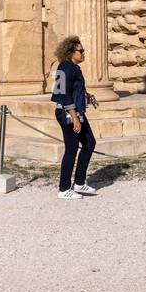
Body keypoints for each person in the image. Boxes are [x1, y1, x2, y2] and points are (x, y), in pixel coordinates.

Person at [51, 36, 99, 200]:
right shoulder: (64, 68)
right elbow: (63, 95)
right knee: (71, 149)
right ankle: (64, 188)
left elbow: (74, 89)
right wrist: (75, 118)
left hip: (76, 111)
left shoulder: (74, 68)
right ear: (71, 52)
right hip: (68, 113)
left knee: (89, 143)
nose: (83, 53)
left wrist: (86, 95)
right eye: (81, 51)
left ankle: (79, 182)